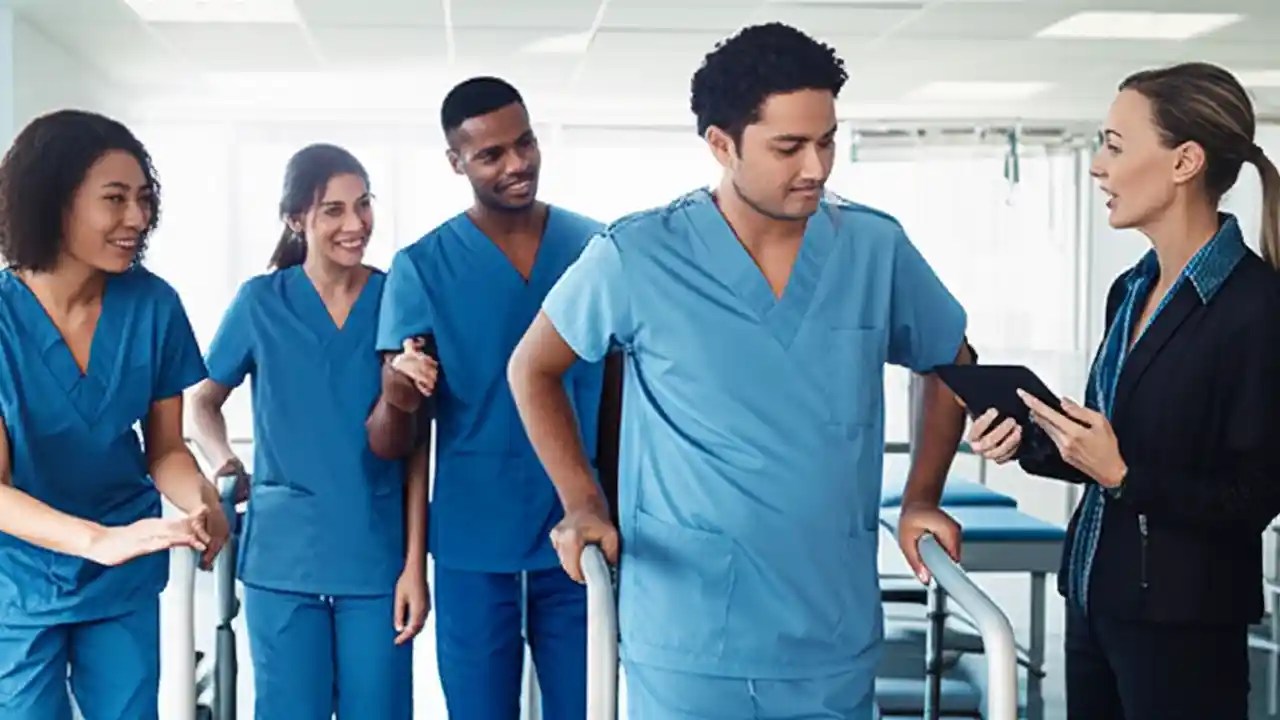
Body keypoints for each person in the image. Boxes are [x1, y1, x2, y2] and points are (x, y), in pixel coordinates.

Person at [508, 23, 973, 719]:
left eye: (827, 141)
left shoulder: (874, 248)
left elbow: (951, 362)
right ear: (722, 145)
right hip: (688, 630)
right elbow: (533, 367)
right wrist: (582, 500)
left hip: (829, 629)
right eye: (789, 147)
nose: (816, 167)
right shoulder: (639, 253)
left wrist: (921, 497)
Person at [968, 62, 1280, 719]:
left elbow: (1253, 497)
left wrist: (1124, 476)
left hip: (1183, 626)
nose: (1097, 167)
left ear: (1184, 161)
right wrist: (1028, 442)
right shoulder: (1131, 290)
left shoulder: (1257, 308)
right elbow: (1112, 448)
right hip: (1094, 601)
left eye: (1114, 146)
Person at [367, 77, 607, 719]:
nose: (517, 163)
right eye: (491, 154)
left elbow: (620, 400)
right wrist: (400, 388)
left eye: (524, 142)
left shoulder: (596, 250)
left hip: (580, 536)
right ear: (456, 162)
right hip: (474, 543)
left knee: (586, 708)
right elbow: (401, 440)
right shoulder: (423, 266)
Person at [0, 110, 229, 719]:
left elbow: (166, 450)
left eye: (143, 199)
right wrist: (97, 541)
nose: (137, 217)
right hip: (20, 579)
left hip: (123, 570)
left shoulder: (153, 305)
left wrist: (199, 499)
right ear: (55, 202)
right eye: (115, 198)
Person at [188, 144, 428, 720]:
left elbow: (418, 444)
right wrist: (224, 461)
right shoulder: (260, 302)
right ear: (297, 219)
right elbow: (202, 402)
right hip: (282, 558)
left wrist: (415, 565)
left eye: (364, 204)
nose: (356, 223)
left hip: (375, 557)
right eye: (333, 210)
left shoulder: (395, 296)